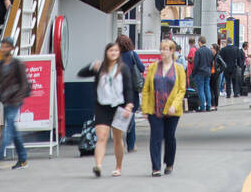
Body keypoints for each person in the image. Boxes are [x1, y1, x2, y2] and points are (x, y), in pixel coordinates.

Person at [78, 43, 133, 176]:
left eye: (116, 50)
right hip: (102, 105)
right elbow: (81, 74)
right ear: (106, 52)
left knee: (117, 138)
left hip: (119, 106)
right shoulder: (100, 67)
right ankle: (98, 166)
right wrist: (92, 66)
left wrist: (129, 105)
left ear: (119, 53)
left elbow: (129, 88)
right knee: (101, 137)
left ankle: (118, 167)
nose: (113, 53)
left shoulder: (123, 68)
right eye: (110, 50)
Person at [142, 37, 186, 176]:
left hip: (172, 110)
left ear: (172, 51)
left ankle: (169, 163)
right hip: (155, 108)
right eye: (161, 49)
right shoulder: (154, 67)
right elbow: (147, 88)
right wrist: (144, 108)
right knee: (156, 136)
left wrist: (174, 105)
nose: (162, 52)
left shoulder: (178, 68)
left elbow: (181, 90)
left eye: (165, 49)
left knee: (169, 136)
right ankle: (156, 167)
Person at [0, 38, 31, 170]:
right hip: (5, 100)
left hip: (15, 101)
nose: (4, 49)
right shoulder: (1, 64)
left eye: (7, 47)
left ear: (12, 48)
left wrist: (17, 99)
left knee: (7, 127)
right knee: (12, 129)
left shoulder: (17, 64)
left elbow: (24, 84)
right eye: (2, 47)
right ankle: (23, 158)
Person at [116, 32, 144, 151]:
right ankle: (131, 145)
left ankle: (119, 144)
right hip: (131, 90)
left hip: (117, 90)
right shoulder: (132, 54)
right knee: (130, 115)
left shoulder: (115, 56)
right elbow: (142, 68)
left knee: (119, 117)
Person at [191, 36, 214, 111]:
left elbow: (196, 64)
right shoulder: (210, 51)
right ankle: (209, 105)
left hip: (200, 72)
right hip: (208, 72)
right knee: (207, 88)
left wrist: (193, 73)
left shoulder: (198, 51)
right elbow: (211, 63)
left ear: (200, 42)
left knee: (200, 89)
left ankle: (202, 106)